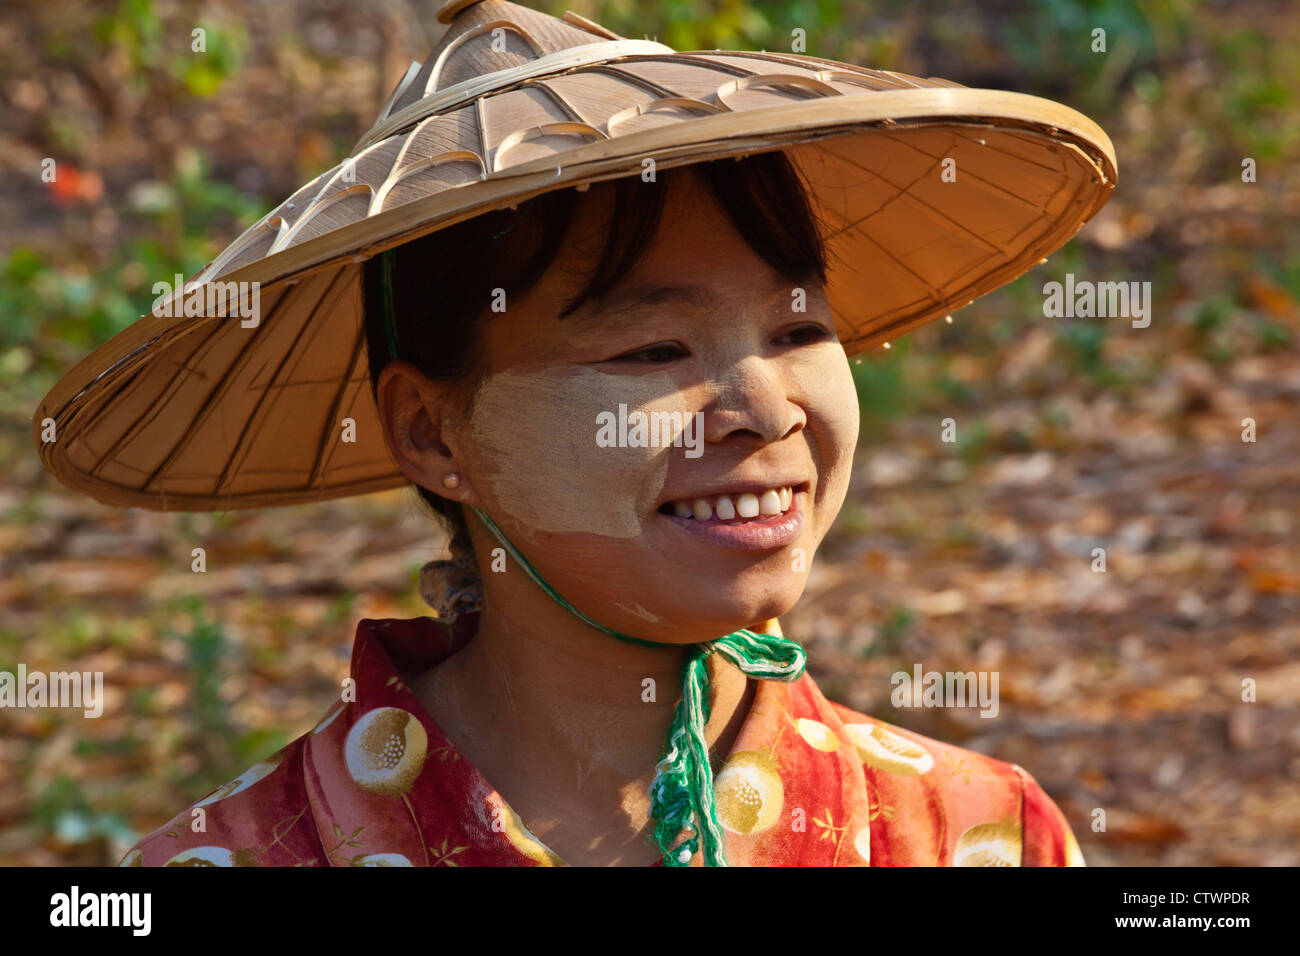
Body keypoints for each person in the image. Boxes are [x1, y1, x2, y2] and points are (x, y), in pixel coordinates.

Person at [35, 0, 1111, 867]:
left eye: (797, 328)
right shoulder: (240, 857)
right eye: (653, 352)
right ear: (432, 431)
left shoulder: (970, 832)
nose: (769, 408)